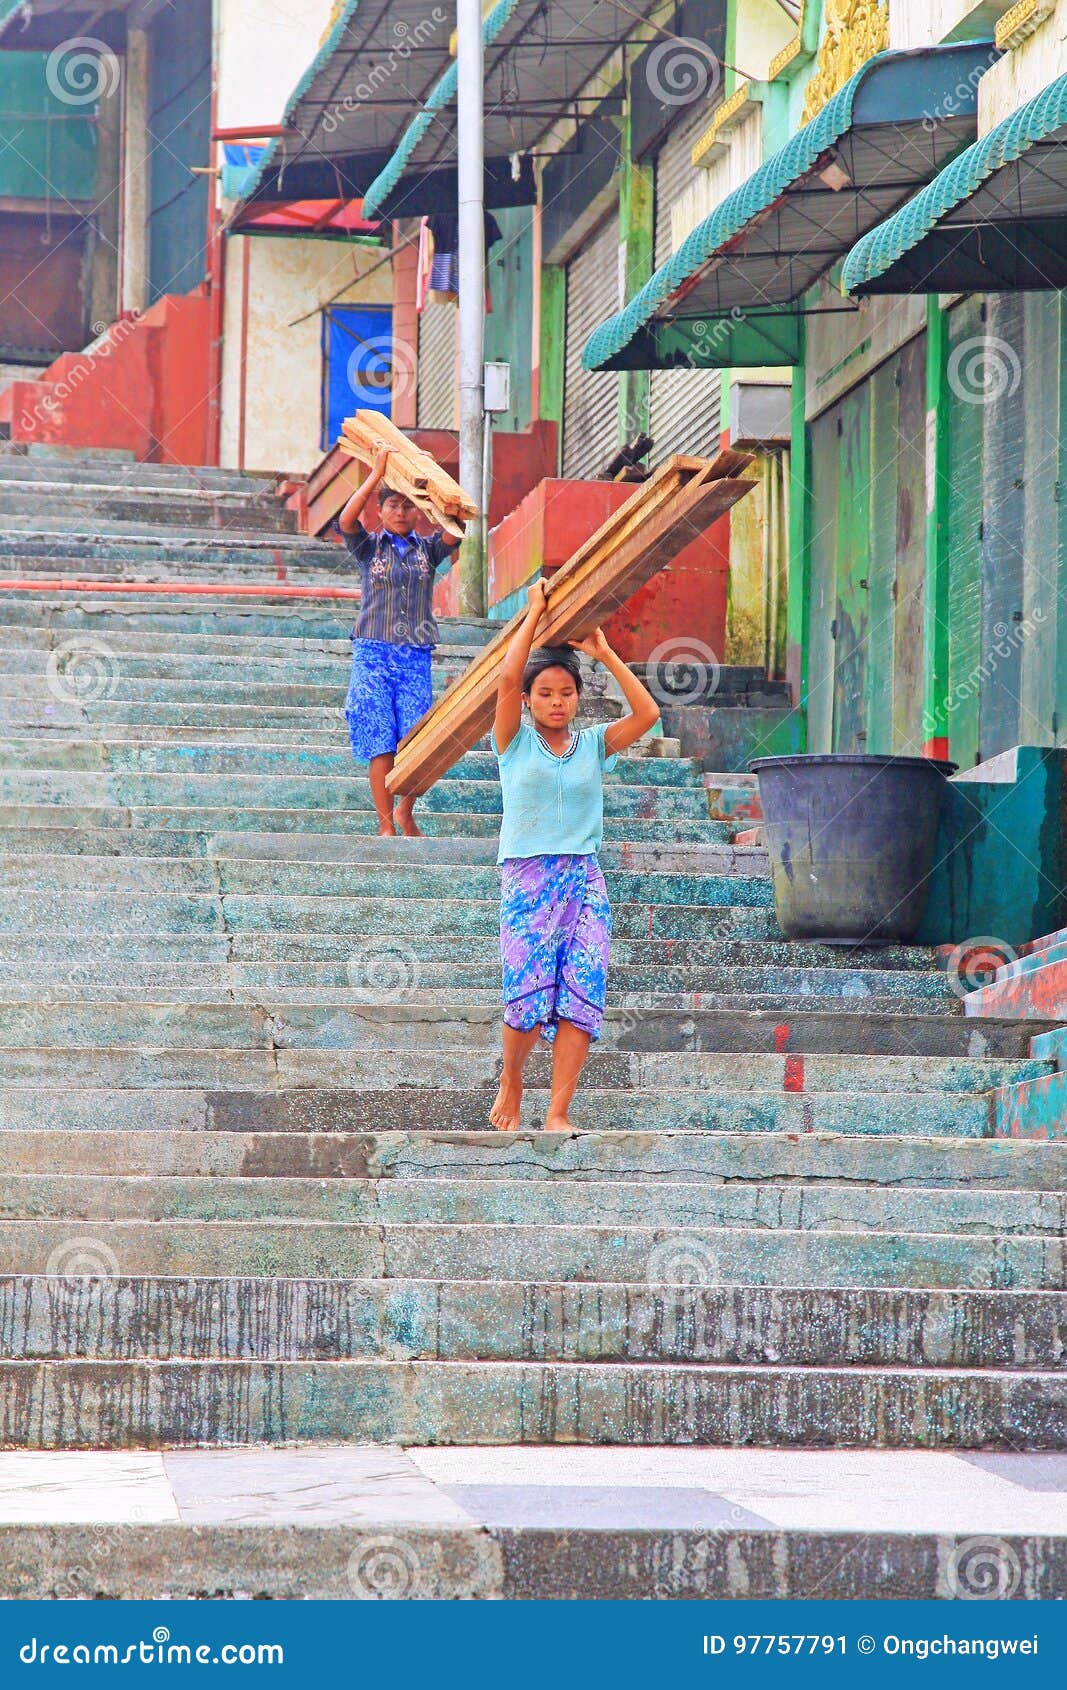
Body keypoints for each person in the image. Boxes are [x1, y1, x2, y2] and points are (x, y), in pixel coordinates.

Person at [489, 580, 661, 1132]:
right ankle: (512, 1080)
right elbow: (507, 678)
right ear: (528, 700)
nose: (556, 701)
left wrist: (605, 653)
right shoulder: (512, 743)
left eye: (566, 692)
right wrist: (533, 614)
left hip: (584, 880)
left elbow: (648, 714)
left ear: (578, 697)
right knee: (526, 995)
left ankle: (558, 1111)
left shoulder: (593, 745)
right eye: (545, 693)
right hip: (527, 879)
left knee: (582, 992)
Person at [337, 446, 464, 836]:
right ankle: (384, 824)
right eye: (392, 505)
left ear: (418, 512)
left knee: (414, 740)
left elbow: (457, 527)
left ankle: (405, 812)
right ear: (380, 511)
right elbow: (346, 520)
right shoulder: (369, 547)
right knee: (380, 740)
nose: (400, 512)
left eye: (408, 506)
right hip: (373, 654)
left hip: (415, 657)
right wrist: (376, 474)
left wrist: (432, 481)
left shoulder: (429, 550)